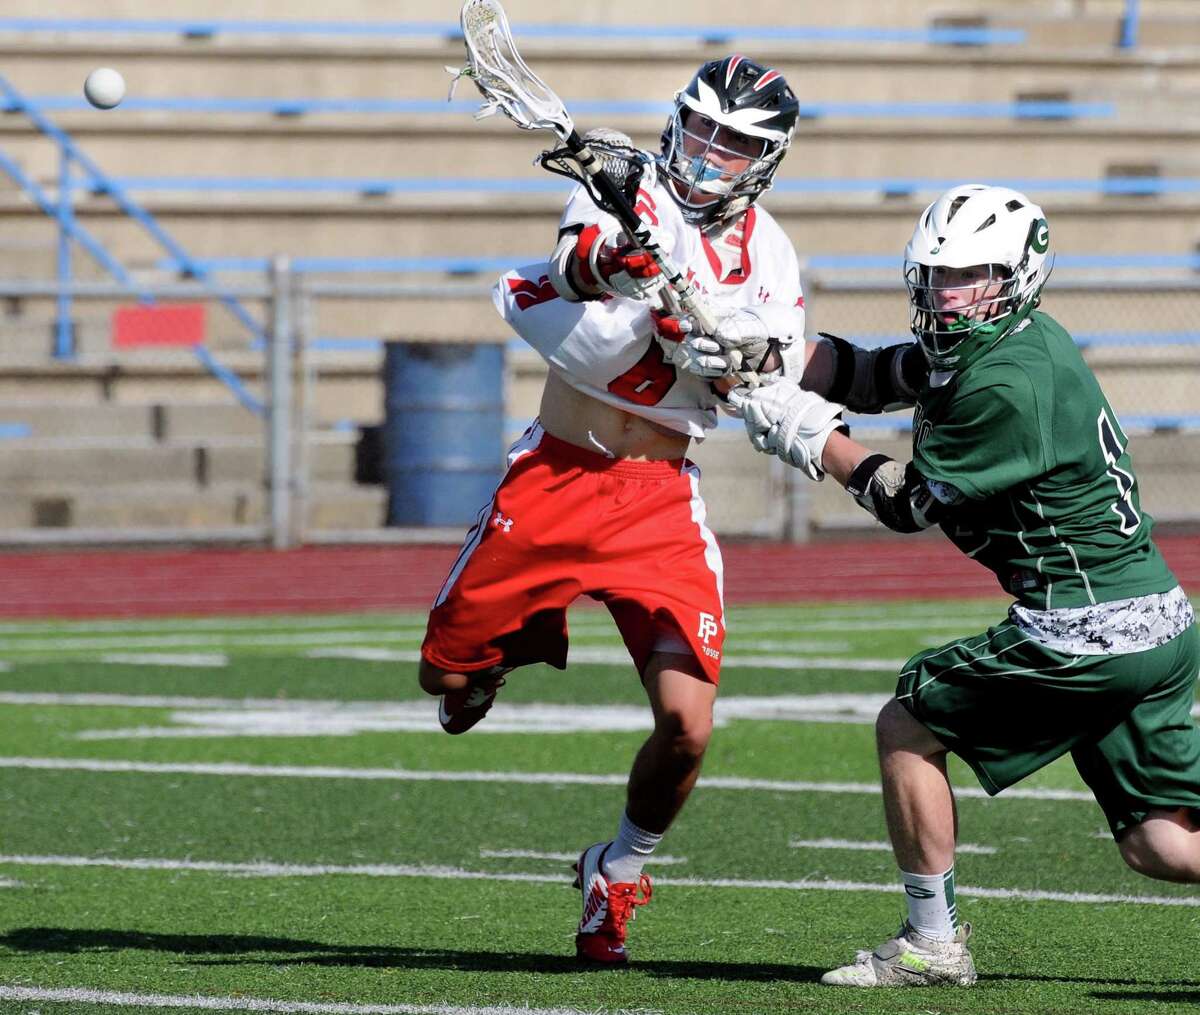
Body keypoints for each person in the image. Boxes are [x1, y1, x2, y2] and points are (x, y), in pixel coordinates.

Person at [727, 183, 1200, 987]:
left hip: (1086, 626)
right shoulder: (1003, 343)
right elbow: (877, 371)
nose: (950, 293)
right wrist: (771, 353)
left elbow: (909, 504)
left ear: (1019, 271)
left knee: (907, 723)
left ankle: (931, 943)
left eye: (972, 274)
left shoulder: (1004, 383)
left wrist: (815, 440)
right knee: (1161, 843)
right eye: (939, 275)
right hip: (1159, 618)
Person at [419, 55, 825, 965]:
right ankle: (488, 663)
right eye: (701, 126)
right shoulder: (628, 184)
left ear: (765, 160)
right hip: (554, 479)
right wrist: (616, 258)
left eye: (734, 142)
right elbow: (571, 265)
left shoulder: (772, 254)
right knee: (443, 684)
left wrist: (709, 338)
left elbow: (766, 374)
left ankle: (619, 867)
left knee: (687, 726)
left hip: (656, 500)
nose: (708, 151)